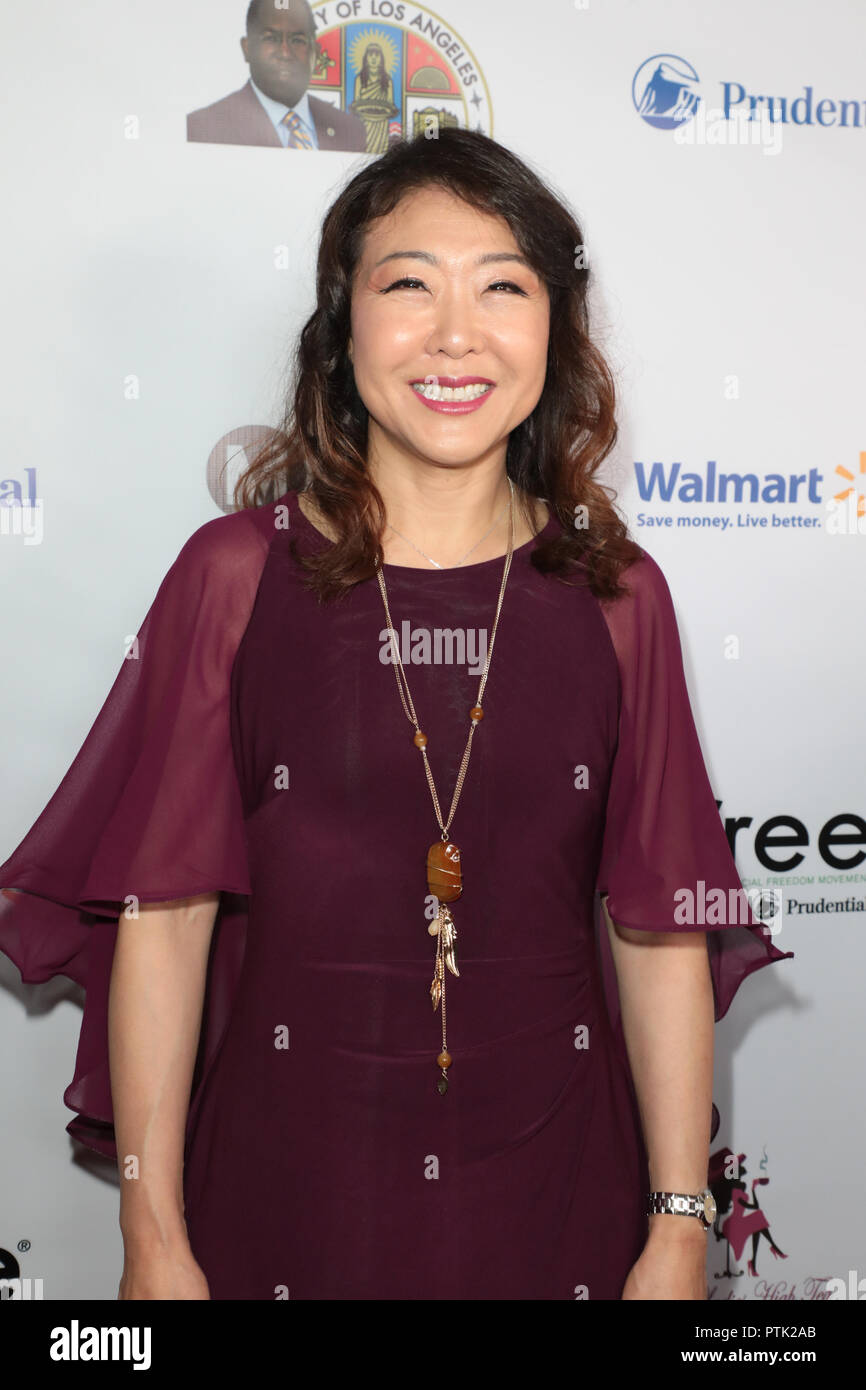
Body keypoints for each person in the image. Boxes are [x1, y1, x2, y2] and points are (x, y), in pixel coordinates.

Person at [0, 127, 793, 1301]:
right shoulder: (231, 576)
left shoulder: (617, 592)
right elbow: (163, 925)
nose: (454, 335)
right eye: (408, 284)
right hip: (281, 1198)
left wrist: (677, 1226)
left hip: (558, 1189)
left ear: (554, 332)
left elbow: (659, 928)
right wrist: (154, 1239)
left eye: (503, 288)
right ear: (342, 326)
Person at [187, 0, 367, 152]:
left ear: (315, 52)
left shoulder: (351, 130)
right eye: (271, 38)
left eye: (297, 40)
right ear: (247, 48)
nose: (285, 52)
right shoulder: (203, 126)